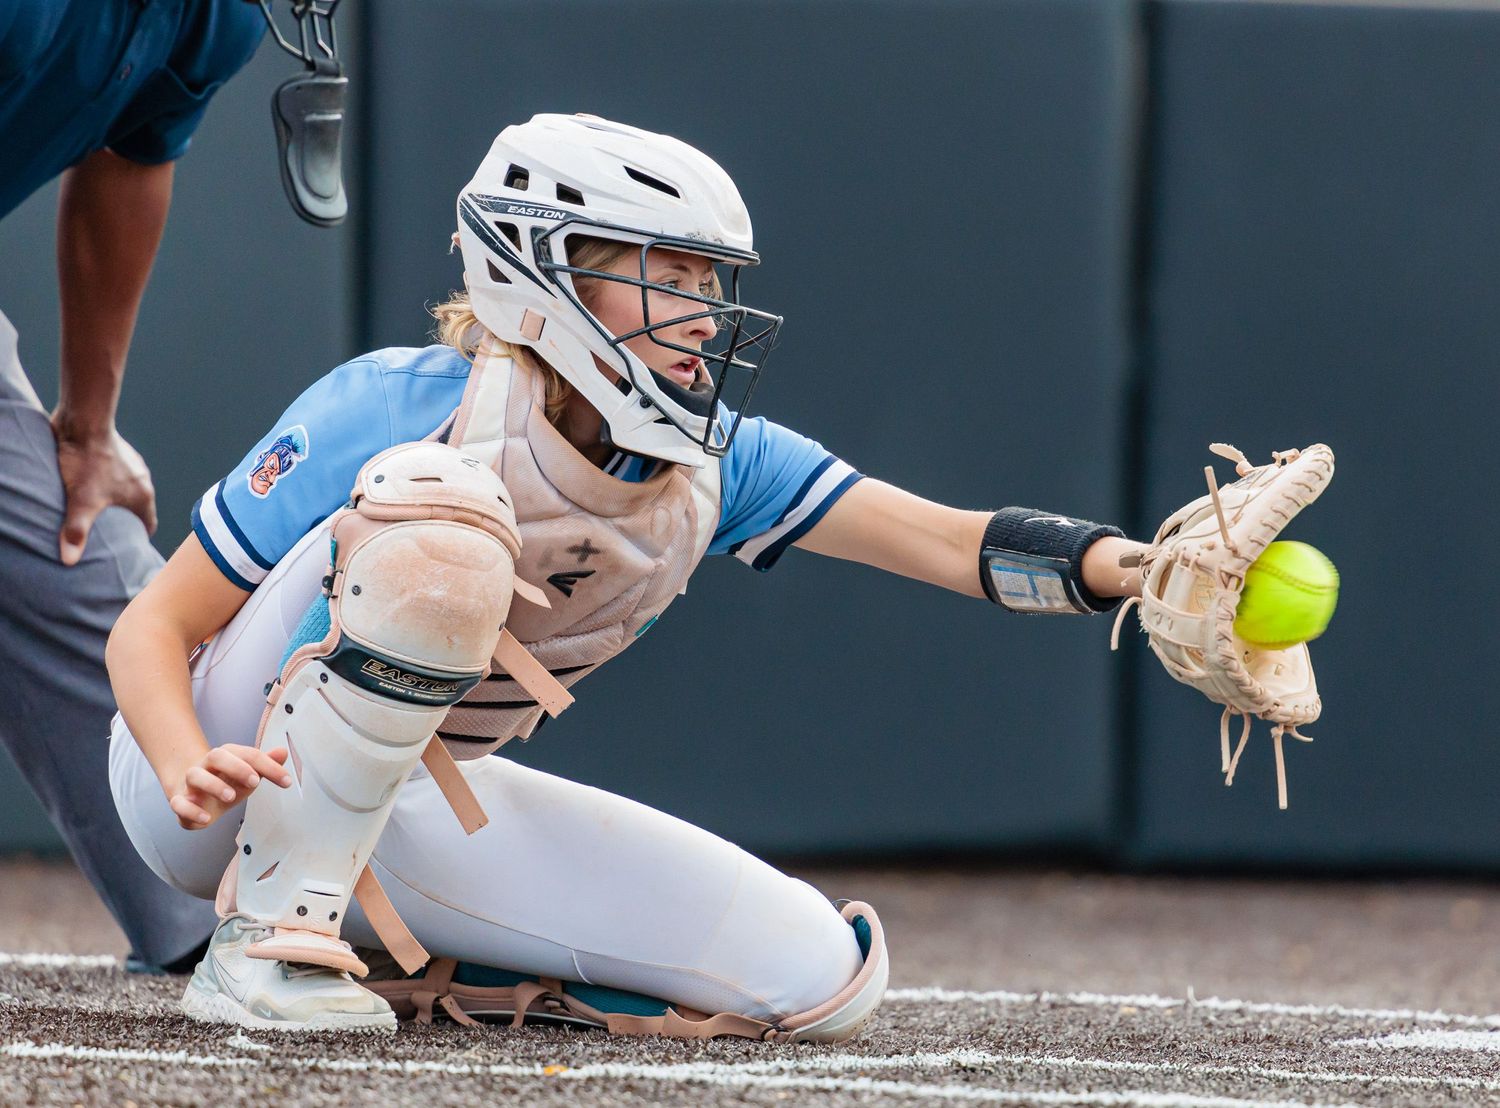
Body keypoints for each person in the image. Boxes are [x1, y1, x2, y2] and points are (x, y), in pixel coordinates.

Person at [105, 114, 1149, 1035]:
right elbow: (148, 627)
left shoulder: (712, 458)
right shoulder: (393, 406)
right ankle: (261, 948)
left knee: (820, 976)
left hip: (398, 800)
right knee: (440, 511)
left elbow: (943, 541)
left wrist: (1134, 569)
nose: (704, 313)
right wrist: (184, 762)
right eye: (671, 275)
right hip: (202, 775)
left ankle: (427, 955)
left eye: (710, 282)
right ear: (540, 270)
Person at [0, 0, 269, 972]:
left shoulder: (214, 18)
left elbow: (130, 158)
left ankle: (242, 916)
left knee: (85, 571)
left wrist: (89, 424)